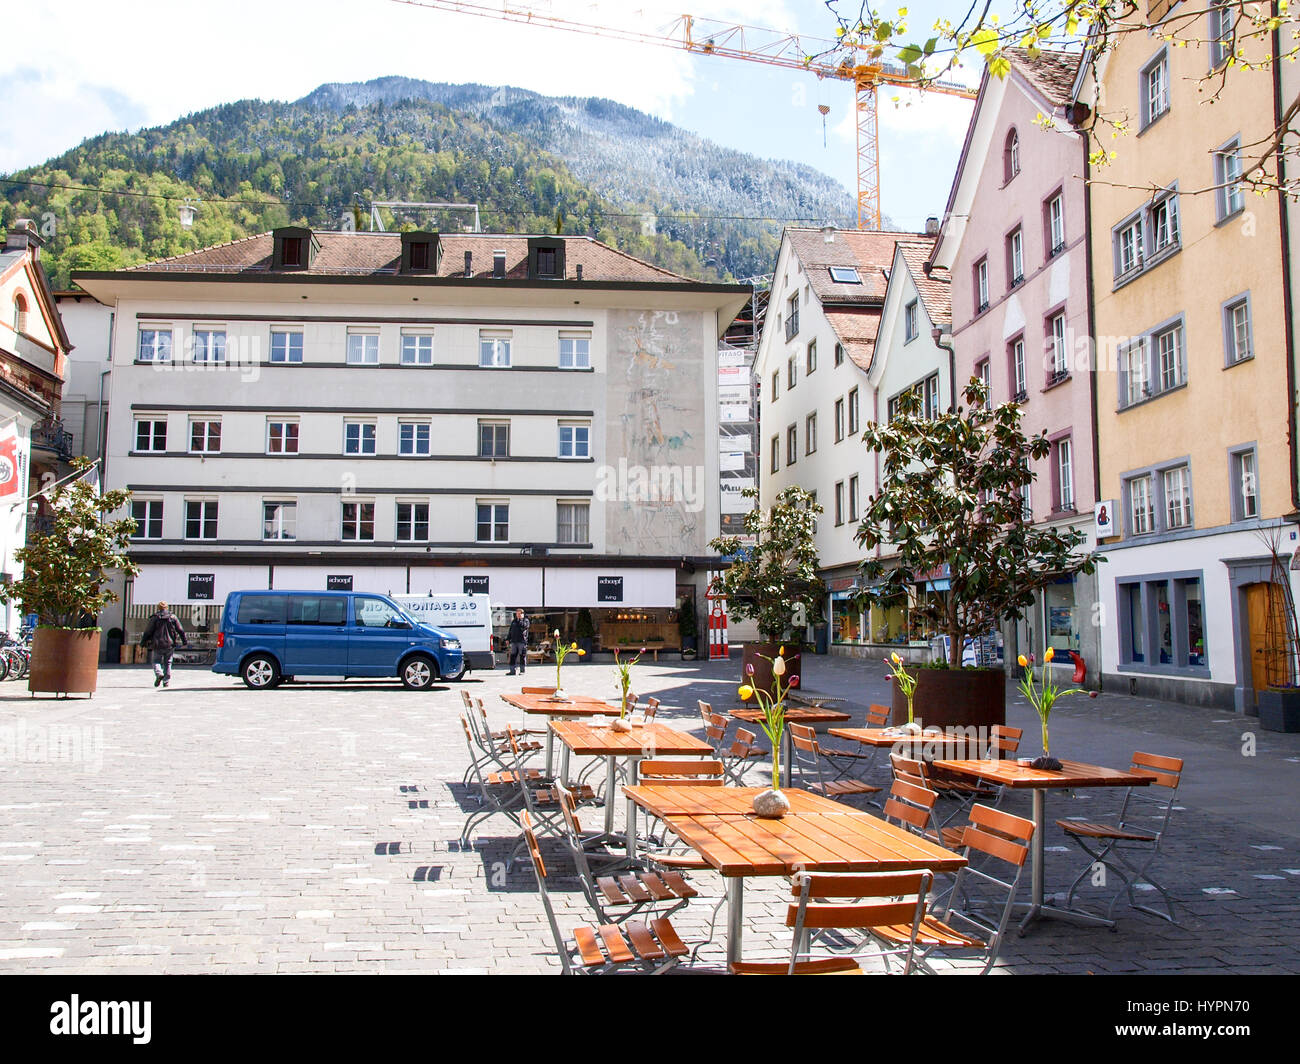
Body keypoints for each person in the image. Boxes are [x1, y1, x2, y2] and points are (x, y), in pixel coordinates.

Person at [141, 601, 188, 688]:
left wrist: (143, 642)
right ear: (167, 607)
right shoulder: (173, 617)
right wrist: (184, 642)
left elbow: (148, 632)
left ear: (159, 608)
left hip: (157, 644)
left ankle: (159, 674)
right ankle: (166, 681)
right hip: (170, 644)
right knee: (168, 662)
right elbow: (180, 630)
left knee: (156, 661)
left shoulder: (155, 618)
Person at [506, 608, 529, 676]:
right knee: (513, 656)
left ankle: (522, 670)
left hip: (522, 641)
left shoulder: (526, 621)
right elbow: (510, 631)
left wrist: (521, 620)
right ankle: (512, 671)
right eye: (517, 614)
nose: (518, 615)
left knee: (522, 656)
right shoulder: (514, 621)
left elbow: (524, 627)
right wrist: (508, 639)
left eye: (519, 614)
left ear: (522, 614)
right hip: (514, 641)